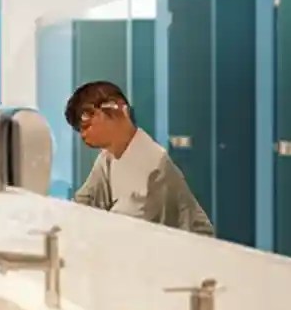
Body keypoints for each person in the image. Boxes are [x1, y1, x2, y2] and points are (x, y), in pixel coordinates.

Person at [66, 80, 215, 236]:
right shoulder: (107, 158)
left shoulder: (153, 166)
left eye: (86, 123)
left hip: (192, 251)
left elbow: (126, 230)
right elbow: (83, 202)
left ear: (117, 108)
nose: (83, 134)